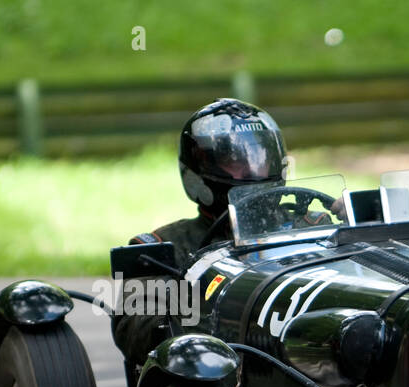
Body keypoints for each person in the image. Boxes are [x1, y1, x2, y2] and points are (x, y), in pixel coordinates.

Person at [115, 98, 287, 365]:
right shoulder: (160, 247)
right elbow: (136, 332)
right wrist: (203, 313)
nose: (252, 170)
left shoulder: (317, 224)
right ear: (197, 174)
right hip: (212, 383)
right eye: (235, 161)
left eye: (259, 157)